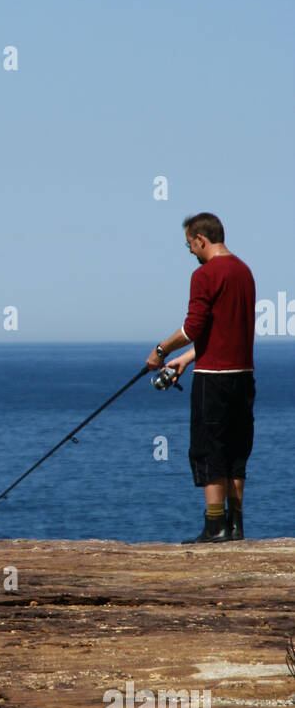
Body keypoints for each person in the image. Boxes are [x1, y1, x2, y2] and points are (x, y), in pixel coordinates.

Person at [146, 213, 256, 543]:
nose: (191, 252)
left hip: (213, 381)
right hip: (243, 377)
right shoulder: (244, 272)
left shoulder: (204, 275)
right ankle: (235, 526)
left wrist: (162, 350)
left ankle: (214, 526)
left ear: (200, 240)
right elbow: (224, 332)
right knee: (236, 452)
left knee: (209, 451)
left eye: (189, 245)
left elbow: (193, 328)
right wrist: (186, 359)